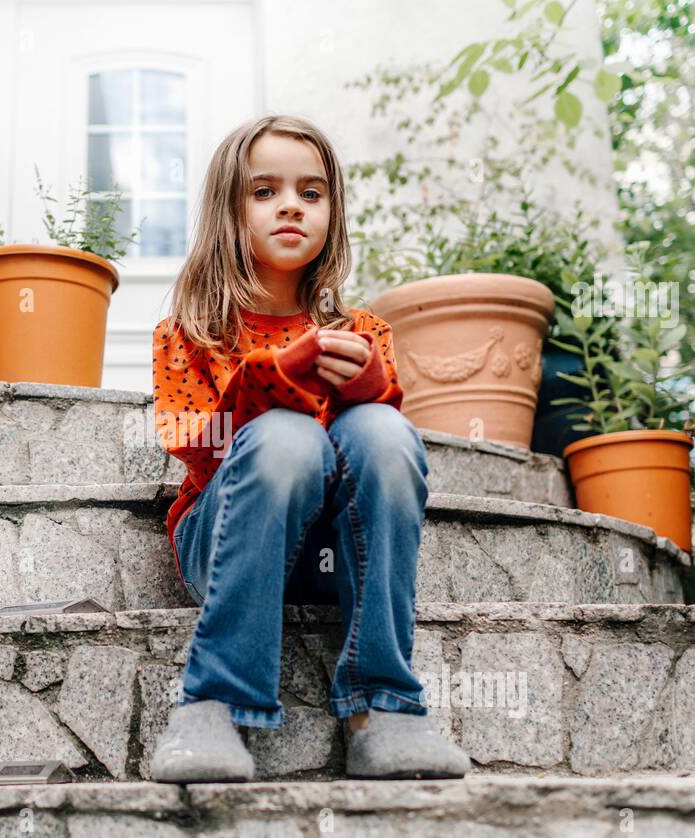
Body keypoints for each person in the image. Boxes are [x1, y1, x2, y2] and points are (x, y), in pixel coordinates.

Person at [149, 114, 470, 782]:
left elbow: (381, 465)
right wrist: (271, 380)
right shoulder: (191, 332)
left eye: (311, 192)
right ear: (228, 212)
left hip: (332, 554)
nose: (290, 204)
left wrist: (371, 385)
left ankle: (382, 706)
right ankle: (213, 701)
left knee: (384, 432)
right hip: (230, 542)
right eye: (263, 191)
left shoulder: (365, 331)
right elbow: (200, 450)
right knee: (285, 437)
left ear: (332, 211)